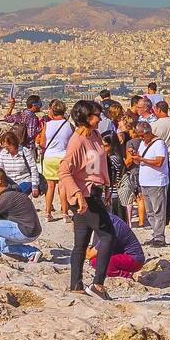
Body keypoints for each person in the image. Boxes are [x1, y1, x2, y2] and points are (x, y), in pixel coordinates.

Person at [58, 99, 114, 299]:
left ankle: (76, 285)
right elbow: (64, 171)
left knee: (81, 242)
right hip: (86, 196)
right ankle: (98, 285)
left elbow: (99, 164)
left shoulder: (96, 135)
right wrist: (77, 194)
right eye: (97, 115)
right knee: (108, 236)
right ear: (86, 117)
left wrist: (108, 185)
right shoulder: (77, 141)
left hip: (96, 191)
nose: (100, 118)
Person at [130, 120, 169, 247]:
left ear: (148, 132)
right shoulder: (143, 143)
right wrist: (136, 157)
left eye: (142, 135)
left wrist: (141, 159)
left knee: (158, 211)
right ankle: (155, 234)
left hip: (157, 182)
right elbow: (140, 162)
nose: (140, 137)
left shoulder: (159, 144)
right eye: (139, 135)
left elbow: (159, 162)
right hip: (145, 181)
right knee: (150, 212)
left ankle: (160, 237)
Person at [37, 100, 73, 222]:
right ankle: (65, 214)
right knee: (62, 187)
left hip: (49, 157)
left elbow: (42, 143)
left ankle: (47, 213)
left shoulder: (47, 125)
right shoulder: (69, 125)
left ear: (52, 110)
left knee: (50, 186)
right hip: (63, 157)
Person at [2, 95, 45, 193]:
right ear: (34, 105)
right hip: (28, 148)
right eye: (39, 104)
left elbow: (7, 118)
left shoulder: (20, 114)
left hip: (16, 146)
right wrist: (41, 128)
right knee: (29, 174)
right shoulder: (33, 117)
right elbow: (31, 134)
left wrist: (11, 106)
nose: (40, 107)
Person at [86, 213, 146, 279]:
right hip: (124, 255)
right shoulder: (109, 219)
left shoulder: (111, 226)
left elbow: (89, 255)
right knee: (95, 260)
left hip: (134, 259)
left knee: (98, 262)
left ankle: (127, 275)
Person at [0, 131, 40, 198]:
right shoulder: (3, 153)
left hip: (24, 180)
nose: (6, 149)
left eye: (8, 147)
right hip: (9, 182)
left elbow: (33, 169)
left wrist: (35, 186)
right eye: (5, 147)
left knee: (15, 196)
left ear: (14, 144)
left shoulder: (25, 152)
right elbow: (0, 169)